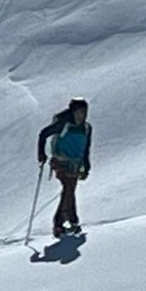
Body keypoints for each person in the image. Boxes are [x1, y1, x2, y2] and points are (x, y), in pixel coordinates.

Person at [36, 98, 93, 238]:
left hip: (74, 165)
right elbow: (43, 134)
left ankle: (71, 221)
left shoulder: (87, 128)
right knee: (69, 188)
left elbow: (86, 149)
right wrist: (41, 155)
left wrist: (86, 167)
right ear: (73, 112)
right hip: (60, 162)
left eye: (84, 112)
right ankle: (60, 224)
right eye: (79, 112)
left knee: (70, 189)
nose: (82, 115)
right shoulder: (63, 124)